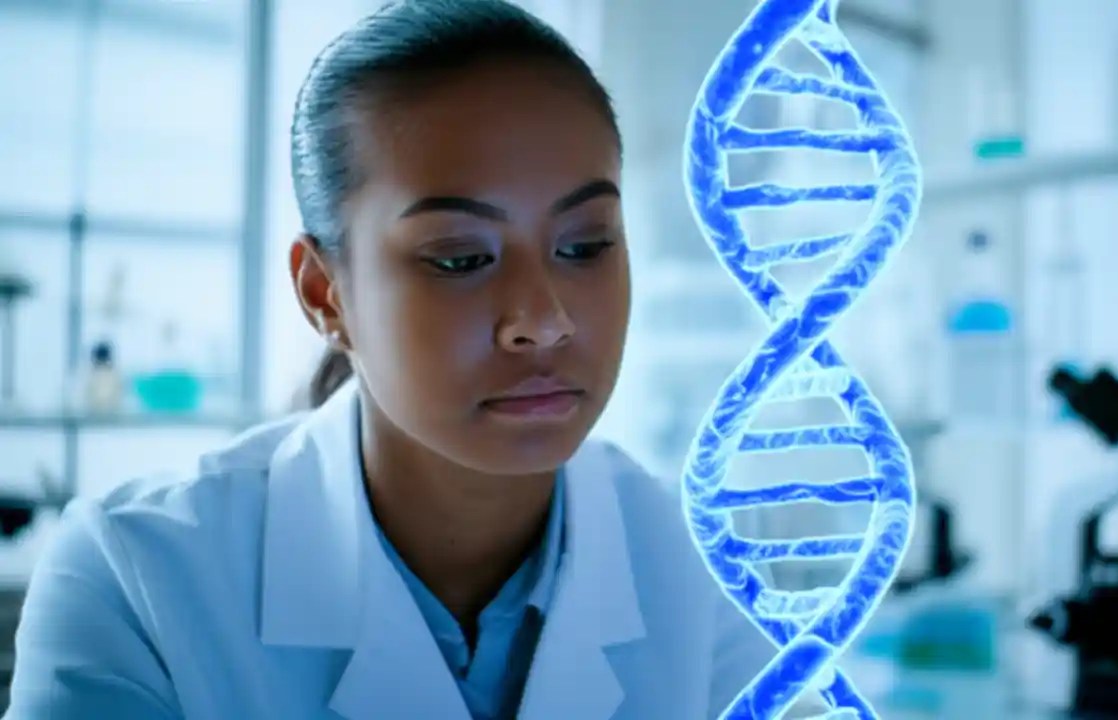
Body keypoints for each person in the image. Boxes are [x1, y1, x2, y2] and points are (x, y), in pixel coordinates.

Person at [4, 1, 791, 719]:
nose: (543, 322)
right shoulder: (135, 584)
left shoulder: (700, 565)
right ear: (325, 294)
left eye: (583, 246)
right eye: (458, 259)